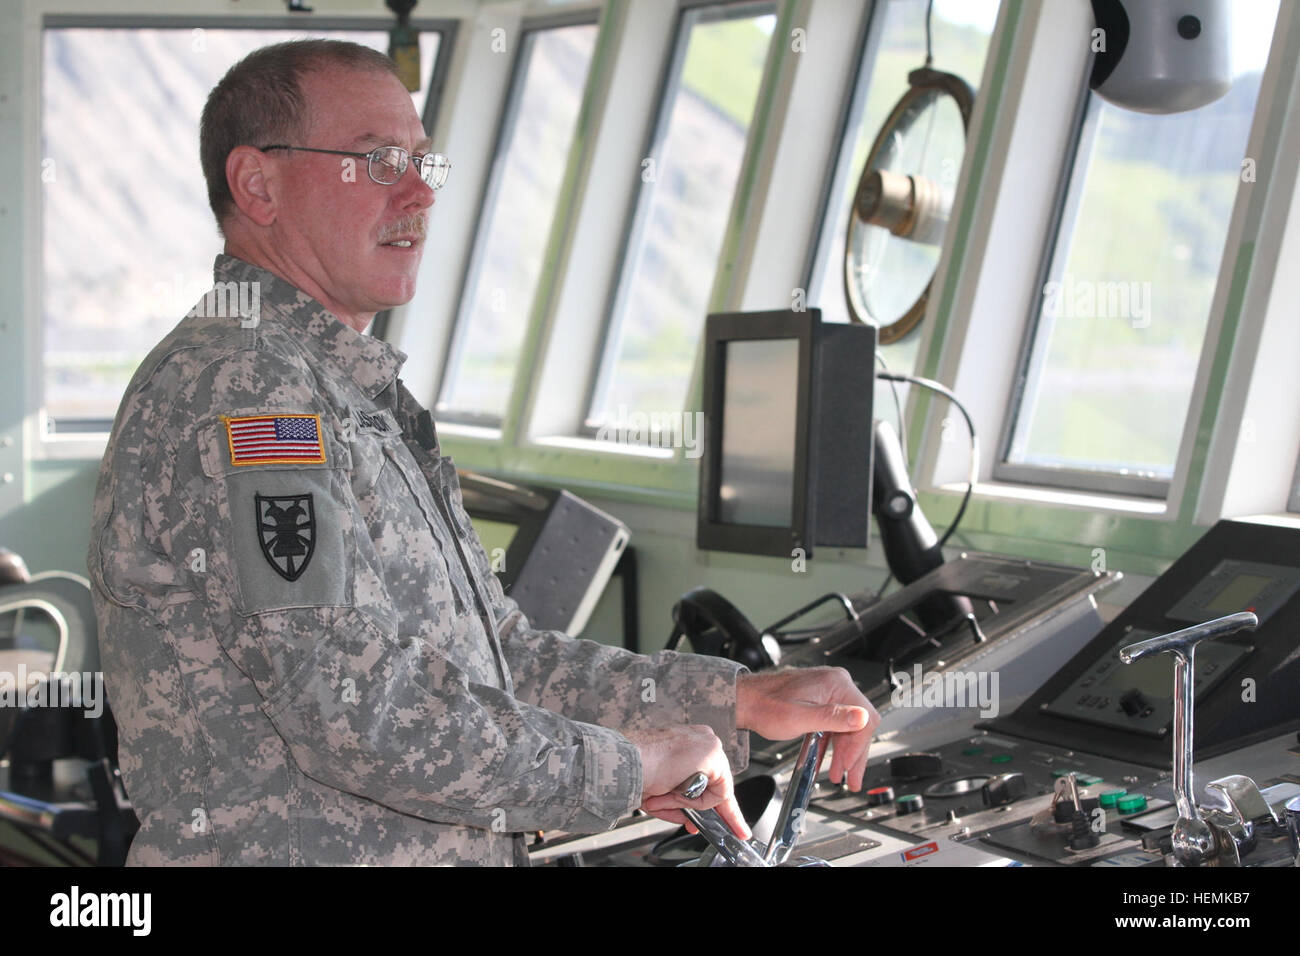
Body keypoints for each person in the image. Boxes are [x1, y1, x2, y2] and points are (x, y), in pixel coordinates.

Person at [87, 39, 879, 866]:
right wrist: (631, 766)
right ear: (259, 184)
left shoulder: (348, 393)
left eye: (426, 160)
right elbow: (357, 708)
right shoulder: (243, 387)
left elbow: (498, 665)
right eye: (379, 159)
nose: (421, 190)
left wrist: (736, 697)